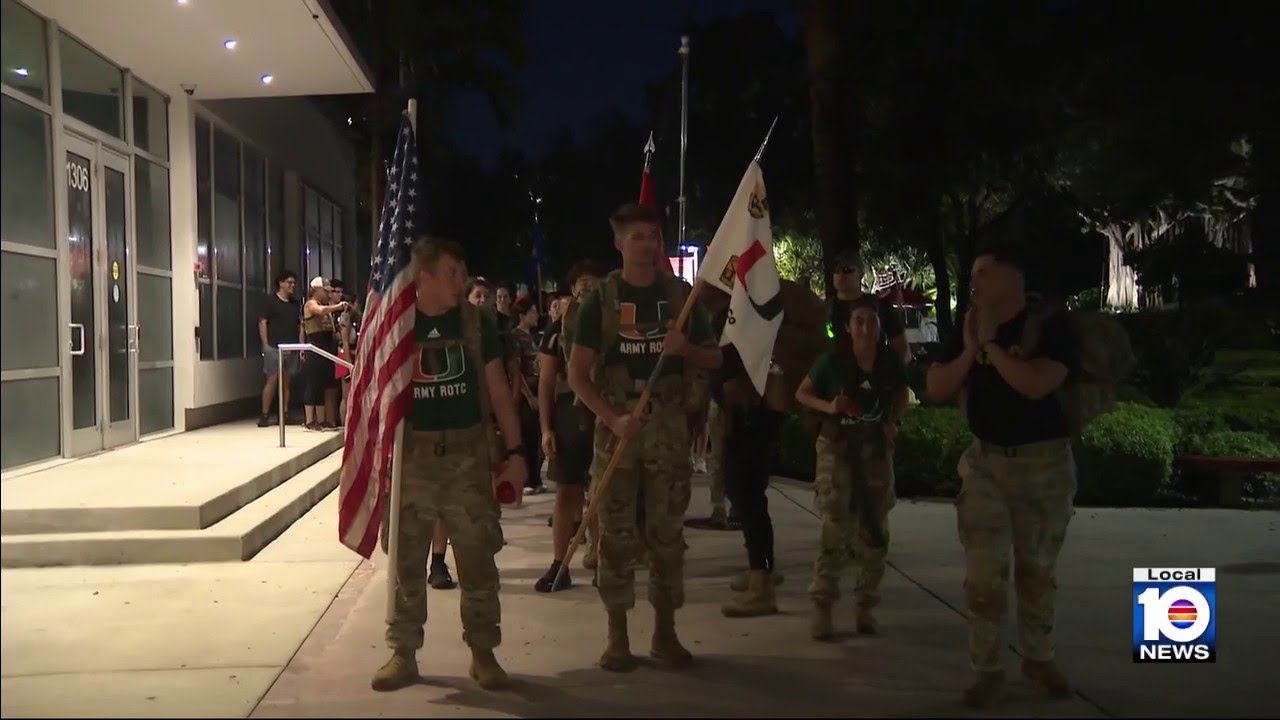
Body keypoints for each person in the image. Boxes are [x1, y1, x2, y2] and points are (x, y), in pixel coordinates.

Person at [568, 202, 721, 672]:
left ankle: (665, 632)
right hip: (618, 429)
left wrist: (687, 348)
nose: (648, 244)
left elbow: (716, 359)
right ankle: (617, 637)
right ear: (618, 243)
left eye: (653, 236)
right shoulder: (602, 299)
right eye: (637, 237)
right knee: (615, 533)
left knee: (667, 532)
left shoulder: (681, 297)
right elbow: (577, 375)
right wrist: (612, 419)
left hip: (668, 427)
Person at [372, 236, 528, 693]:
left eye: (463, 273)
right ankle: (403, 652)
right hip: (413, 455)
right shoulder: (398, 325)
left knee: (478, 557)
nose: (462, 282)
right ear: (425, 279)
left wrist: (516, 455)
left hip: (467, 455)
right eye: (452, 274)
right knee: (406, 558)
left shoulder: (478, 324)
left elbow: (499, 391)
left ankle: (483, 653)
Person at [925, 244, 1078, 708]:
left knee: (1037, 571)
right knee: (984, 575)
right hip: (986, 464)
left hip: (1043, 465)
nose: (975, 282)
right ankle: (988, 668)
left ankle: (1038, 657)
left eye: (985, 273)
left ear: (1015, 276)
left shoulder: (1051, 325)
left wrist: (992, 345)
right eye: (973, 274)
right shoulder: (968, 325)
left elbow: (1036, 384)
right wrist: (972, 348)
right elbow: (934, 388)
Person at [796, 294, 909, 638]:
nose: (865, 328)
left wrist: (894, 420)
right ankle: (823, 605)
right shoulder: (832, 362)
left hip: (875, 451)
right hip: (838, 449)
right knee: (835, 527)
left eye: (871, 321)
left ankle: (866, 606)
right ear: (847, 327)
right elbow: (802, 393)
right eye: (858, 321)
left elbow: (903, 392)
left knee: (875, 531)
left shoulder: (889, 361)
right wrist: (829, 407)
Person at [717, 278, 827, 617]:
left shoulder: (775, 301)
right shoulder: (740, 300)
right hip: (740, 408)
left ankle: (761, 579)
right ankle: (761, 565)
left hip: (756, 408)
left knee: (746, 492)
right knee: (742, 491)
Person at [534, 261, 605, 592]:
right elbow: (546, 381)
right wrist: (546, 428)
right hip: (569, 414)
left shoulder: (613, 322)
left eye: (592, 282)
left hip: (605, 411)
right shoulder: (558, 327)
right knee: (566, 491)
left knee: (606, 492)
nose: (586, 288)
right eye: (580, 283)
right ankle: (559, 564)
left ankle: (605, 559)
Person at [829, 248, 909, 363]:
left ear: (860, 274)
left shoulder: (880, 306)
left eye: (847, 270)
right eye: (836, 270)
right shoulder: (824, 309)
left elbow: (901, 349)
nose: (840, 275)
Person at [301, 277, 347, 431]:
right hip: (315, 344)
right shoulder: (311, 304)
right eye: (325, 290)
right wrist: (336, 307)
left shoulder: (326, 305)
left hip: (327, 345)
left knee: (323, 383)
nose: (328, 293)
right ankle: (309, 420)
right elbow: (319, 311)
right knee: (313, 382)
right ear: (317, 290)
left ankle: (322, 420)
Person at [510, 296, 545, 495]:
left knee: (536, 437)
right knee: (528, 436)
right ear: (523, 315)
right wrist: (528, 396)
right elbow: (517, 369)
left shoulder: (533, 337)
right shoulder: (516, 336)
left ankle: (536, 477)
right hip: (526, 393)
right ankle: (528, 479)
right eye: (532, 311)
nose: (536, 315)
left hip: (538, 389)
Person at [257, 270, 301, 427]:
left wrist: (300, 345)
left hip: (291, 345)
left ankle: (285, 413)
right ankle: (265, 414)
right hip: (274, 346)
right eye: (289, 282)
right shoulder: (270, 301)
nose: (292, 286)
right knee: (272, 379)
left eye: (294, 283)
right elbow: (263, 322)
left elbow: (299, 325)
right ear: (281, 283)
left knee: (287, 381)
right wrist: (265, 344)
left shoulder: (295, 304)